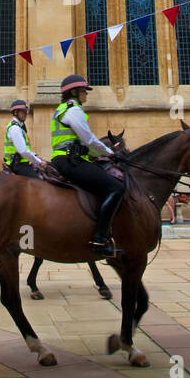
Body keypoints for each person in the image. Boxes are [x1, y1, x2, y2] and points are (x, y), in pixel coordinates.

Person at [50, 74, 123, 256]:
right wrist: (109, 152)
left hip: (65, 158)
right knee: (116, 187)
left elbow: (82, 144)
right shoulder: (73, 110)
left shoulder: (61, 109)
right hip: (69, 162)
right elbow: (88, 139)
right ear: (73, 92)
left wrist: (97, 155)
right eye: (83, 91)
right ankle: (100, 239)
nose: (86, 95)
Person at [3, 100, 49, 178]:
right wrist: (39, 162)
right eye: (23, 112)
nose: (25, 114)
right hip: (18, 165)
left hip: (21, 163)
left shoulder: (19, 127)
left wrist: (36, 156)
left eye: (26, 111)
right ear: (15, 112)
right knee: (40, 182)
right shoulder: (15, 128)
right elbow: (23, 151)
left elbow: (24, 149)